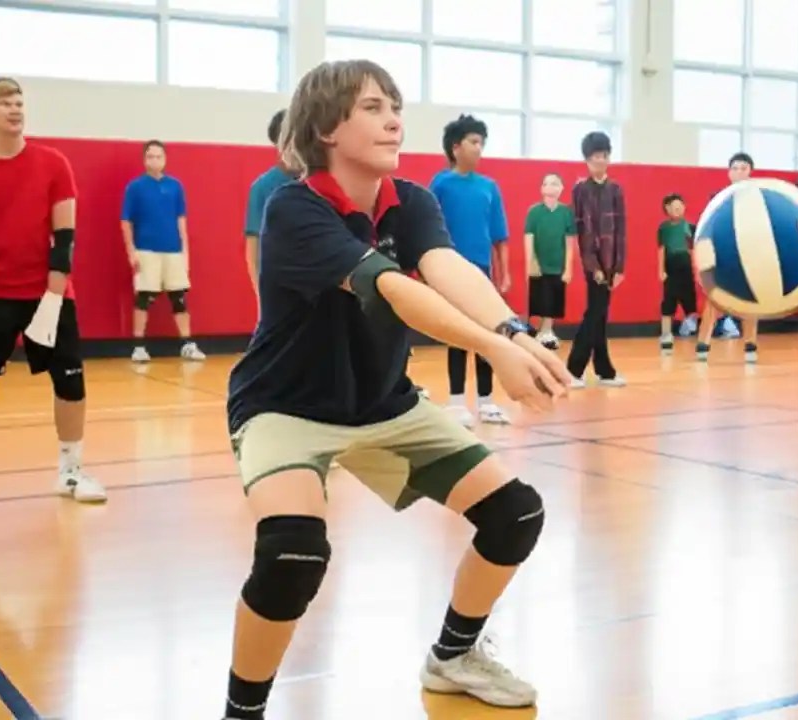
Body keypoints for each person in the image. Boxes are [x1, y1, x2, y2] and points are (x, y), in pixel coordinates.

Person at [221, 59, 570, 719]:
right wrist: (492, 347)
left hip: (383, 403)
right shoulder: (293, 207)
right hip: (284, 407)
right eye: (373, 107)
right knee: (293, 554)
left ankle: (453, 656)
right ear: (327, 126)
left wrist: (515, 330)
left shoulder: (411, 201)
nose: (394, 120)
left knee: (514, 514)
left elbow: (444, 266)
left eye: (396, 106)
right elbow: (392, 289)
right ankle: (242, 713)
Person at [0, 77, 105, 515]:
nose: (15, 109)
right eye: (4, 103)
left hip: (49, 292)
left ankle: (70, 470)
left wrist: (53, 297)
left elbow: (64, 237)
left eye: (19, 102)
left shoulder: (53, 163)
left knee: (71, 382)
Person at [430, 114, 512, 426]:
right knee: (458, 334)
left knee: (487, 334)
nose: (479, 149)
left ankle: (486, 401)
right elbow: (430, 228)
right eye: (473, 142)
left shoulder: (490, 187)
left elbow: (499, 235)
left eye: (482, 143)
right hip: (451, 272)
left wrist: (504, 272)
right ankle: (454, 401)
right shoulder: (441, 184)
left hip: (482, 272)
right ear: (456, 147)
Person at [121, 140, 204, 363]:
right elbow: (126, 221)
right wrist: (131, 251)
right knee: (144, 297)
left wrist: (185, 252)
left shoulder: (175, 186)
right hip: (146, 250)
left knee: (178, 297)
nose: (154, 160)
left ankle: (187, 344)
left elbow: (181, 221)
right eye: (150, 156)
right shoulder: (135, 187)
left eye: (159, 156)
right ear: (144, 159)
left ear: (165, 159)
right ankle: (138, 346)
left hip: (173, 251)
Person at [566, 131, 627, 388]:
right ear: (586, 160)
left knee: (600, 314)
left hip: (612, 261)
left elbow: (621, 229)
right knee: (596, 312)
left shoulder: (616, 189)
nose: (599, 161)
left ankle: (604, 371)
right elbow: (582, 229)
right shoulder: (581, 189)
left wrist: (620, 266)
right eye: (594, 157)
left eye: (603, 156)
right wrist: (593, 266)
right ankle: (573, 369)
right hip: (594, 264)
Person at [696, 152, 760, 362]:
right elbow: (709, 230)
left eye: (744, 168)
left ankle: (750, 345)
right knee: (714, 298)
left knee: (752, 300)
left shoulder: (757, 198)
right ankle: (703, 344)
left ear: (750, 171)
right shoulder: (718, 199)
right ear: (729, 172)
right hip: (724, 256)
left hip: (749, 255)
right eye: (735, 168)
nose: (739, 171)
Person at [244, 109, 294, 301]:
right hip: (278, 289)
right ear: (278, 142)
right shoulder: (262, 187)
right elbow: (252, 248)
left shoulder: (317, 182)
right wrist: (260, 293)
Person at [524, 172, 576, 350]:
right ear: (541, 189)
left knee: (554, 300)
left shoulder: (566, 213)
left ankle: (547, 331)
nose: (551, 187)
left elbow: (570, 241)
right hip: (540, 265)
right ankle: (542, 331)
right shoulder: (534, 212)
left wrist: (568, 268)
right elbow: (528, 238)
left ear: (561, 188)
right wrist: (531, 261)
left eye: (555, 184)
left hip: (557, 265)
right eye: (547, 183)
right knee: (541, 299)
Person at [657, 193, 697, 353]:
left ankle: (689, 327)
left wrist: (697, 269)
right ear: (667, 209)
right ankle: (666, 334)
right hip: (670, 270)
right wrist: (661, 270)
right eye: (674, 207)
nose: (677, 209)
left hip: (686, 269)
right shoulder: (664, 228)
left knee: (690, 302)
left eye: (680, 206)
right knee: (668, 302)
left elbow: (693, 249)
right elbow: (661, 250)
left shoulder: (690, 227)